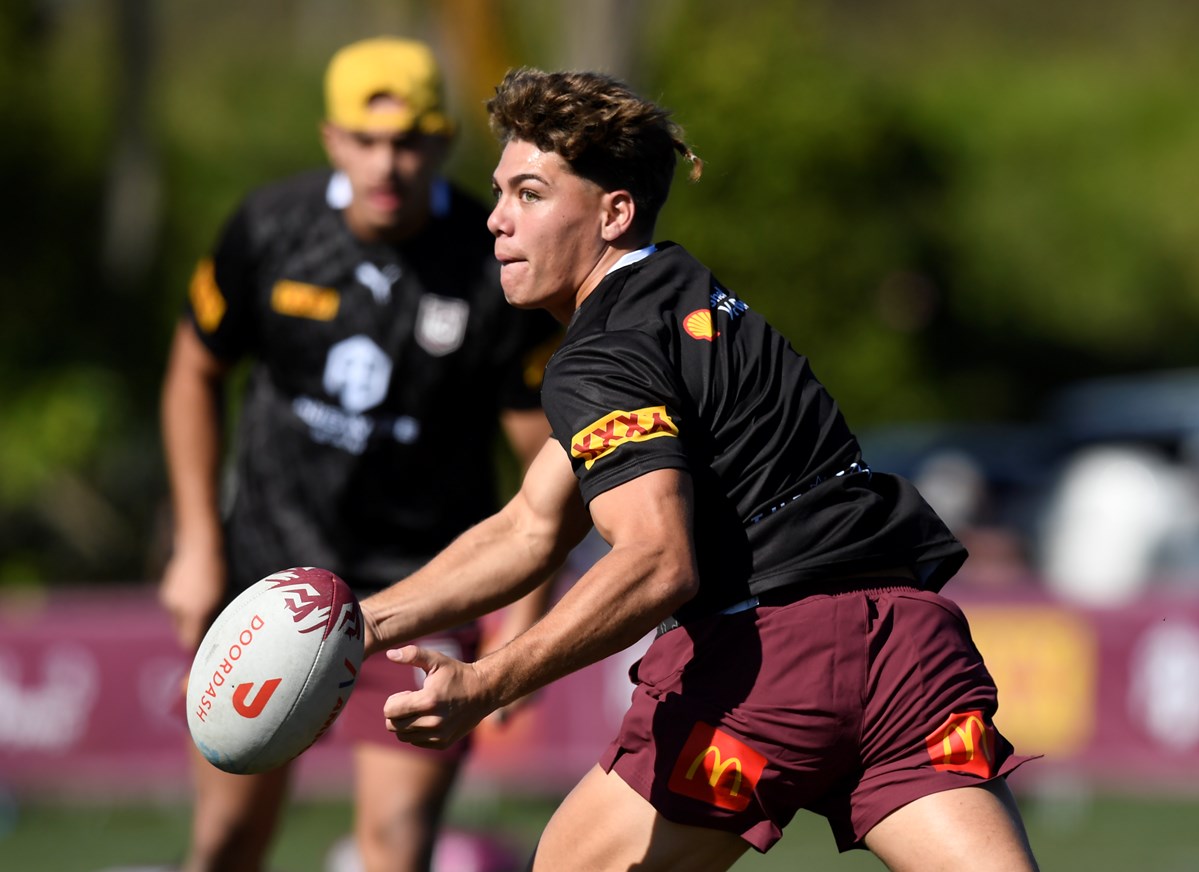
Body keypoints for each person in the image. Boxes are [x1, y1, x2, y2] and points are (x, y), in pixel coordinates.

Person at [358, 67, 1041, 871]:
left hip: (771, 661)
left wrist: (488, 684)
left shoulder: (601, 355)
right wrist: (356, 630)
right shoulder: (687, 301)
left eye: (530, 195)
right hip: (909, 649)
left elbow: (657, 560)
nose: (496, 221)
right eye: (501, 192)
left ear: (613, 212)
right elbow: (532, 523)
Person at [158, 38, 561, 872]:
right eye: (367, 140)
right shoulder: (269, 229)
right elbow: (193, 371)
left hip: (423, 592)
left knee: (394, 847)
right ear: (331, 137)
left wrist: (523, 617)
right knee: (226, 843)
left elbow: (545, 455)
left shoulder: (493, 266)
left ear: (444, 142)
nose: (388, 163)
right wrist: (198, 544)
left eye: (410, 141)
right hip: (267, 581)